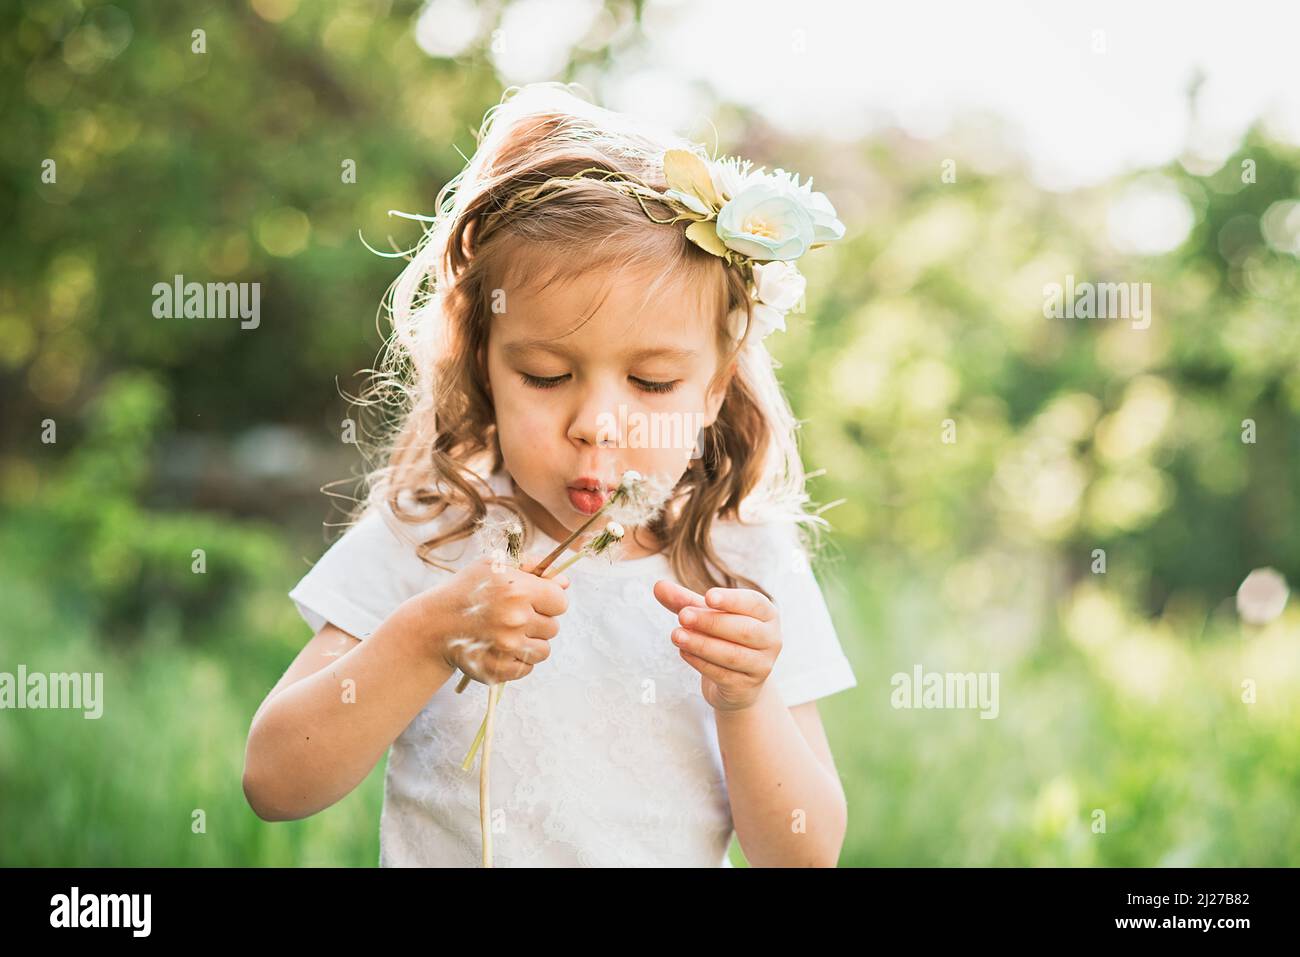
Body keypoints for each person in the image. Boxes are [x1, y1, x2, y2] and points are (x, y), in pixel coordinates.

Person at [242, 81, 857, 867]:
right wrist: (429, 635)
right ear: (485, 367)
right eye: (543, 374)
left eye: (652, 382)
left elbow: (805, 854)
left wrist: (745, 698)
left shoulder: (743, 566)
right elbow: (275, 780)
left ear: (713, 385)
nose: (596, 422)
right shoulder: (434, 531)